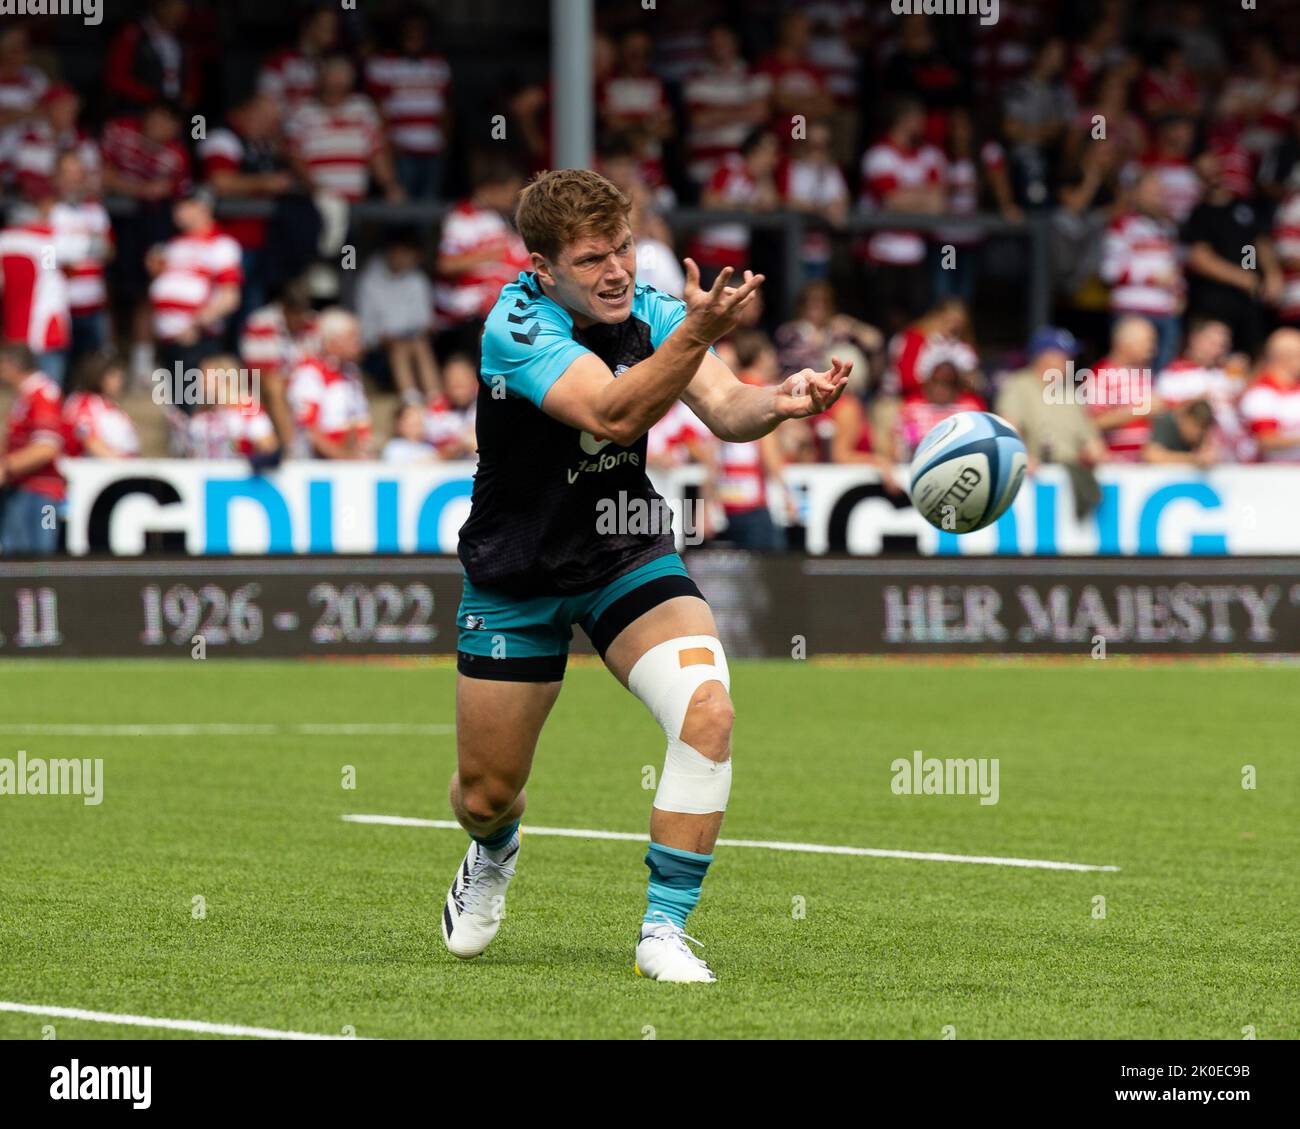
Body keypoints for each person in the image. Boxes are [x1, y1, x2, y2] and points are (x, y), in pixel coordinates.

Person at [443, 168, 848, 982]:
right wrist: (695, 335)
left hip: (624, 551)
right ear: (541, 268)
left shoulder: (657, 310)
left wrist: (784, 399)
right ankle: (492, 853)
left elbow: (728, 410)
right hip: (516, 573)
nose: (617, 269)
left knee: (709, 710)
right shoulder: (514, 327)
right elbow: (615, 412)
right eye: (592, 258)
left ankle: (664, 929)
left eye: (622, 246)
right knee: (486, 792)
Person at [357, 230, 438, 403]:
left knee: (419, 343)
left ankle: (435, 399)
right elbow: (365, 330)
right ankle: (411, 401)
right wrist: (385, 338)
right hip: (378, 352)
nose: (406, 259)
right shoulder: (369, 281)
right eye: (403, 253)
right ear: (391, 252)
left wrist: (414, 332)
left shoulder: (418, 280)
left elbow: (425, 322)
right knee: (399, 346)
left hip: (413, 342)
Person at [0, 343, 65, 555]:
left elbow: (47, 447)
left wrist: (6, 466)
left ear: (12, 365)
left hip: (42, 493)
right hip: (23, 488)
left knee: (38, 563)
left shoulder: (42, 394)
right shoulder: (26, 396)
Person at [287, 308, 372, 460]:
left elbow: (359, 422)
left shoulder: (351, 373)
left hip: (350, 461)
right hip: (317, 464)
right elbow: (310, 431)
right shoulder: (309, 373)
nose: (358, 342)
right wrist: (345, 459)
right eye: (352, 337)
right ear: (332, 341)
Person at [63, 350, 139, 458]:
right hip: (96, 470)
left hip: (118, 468)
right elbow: (88, 439)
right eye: (114, 376)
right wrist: (121, 465)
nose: (120, 381)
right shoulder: (83, 402)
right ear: (99, 377)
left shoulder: (110, 406)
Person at [1143, 400, 1219, 467]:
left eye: (1201, 430)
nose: (1196, 434)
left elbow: (1211, 456)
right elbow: (1152, 456)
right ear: (1185, 418)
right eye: (1194, 426)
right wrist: (1193, 459)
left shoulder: (1205, 433)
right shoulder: (1166, 422)